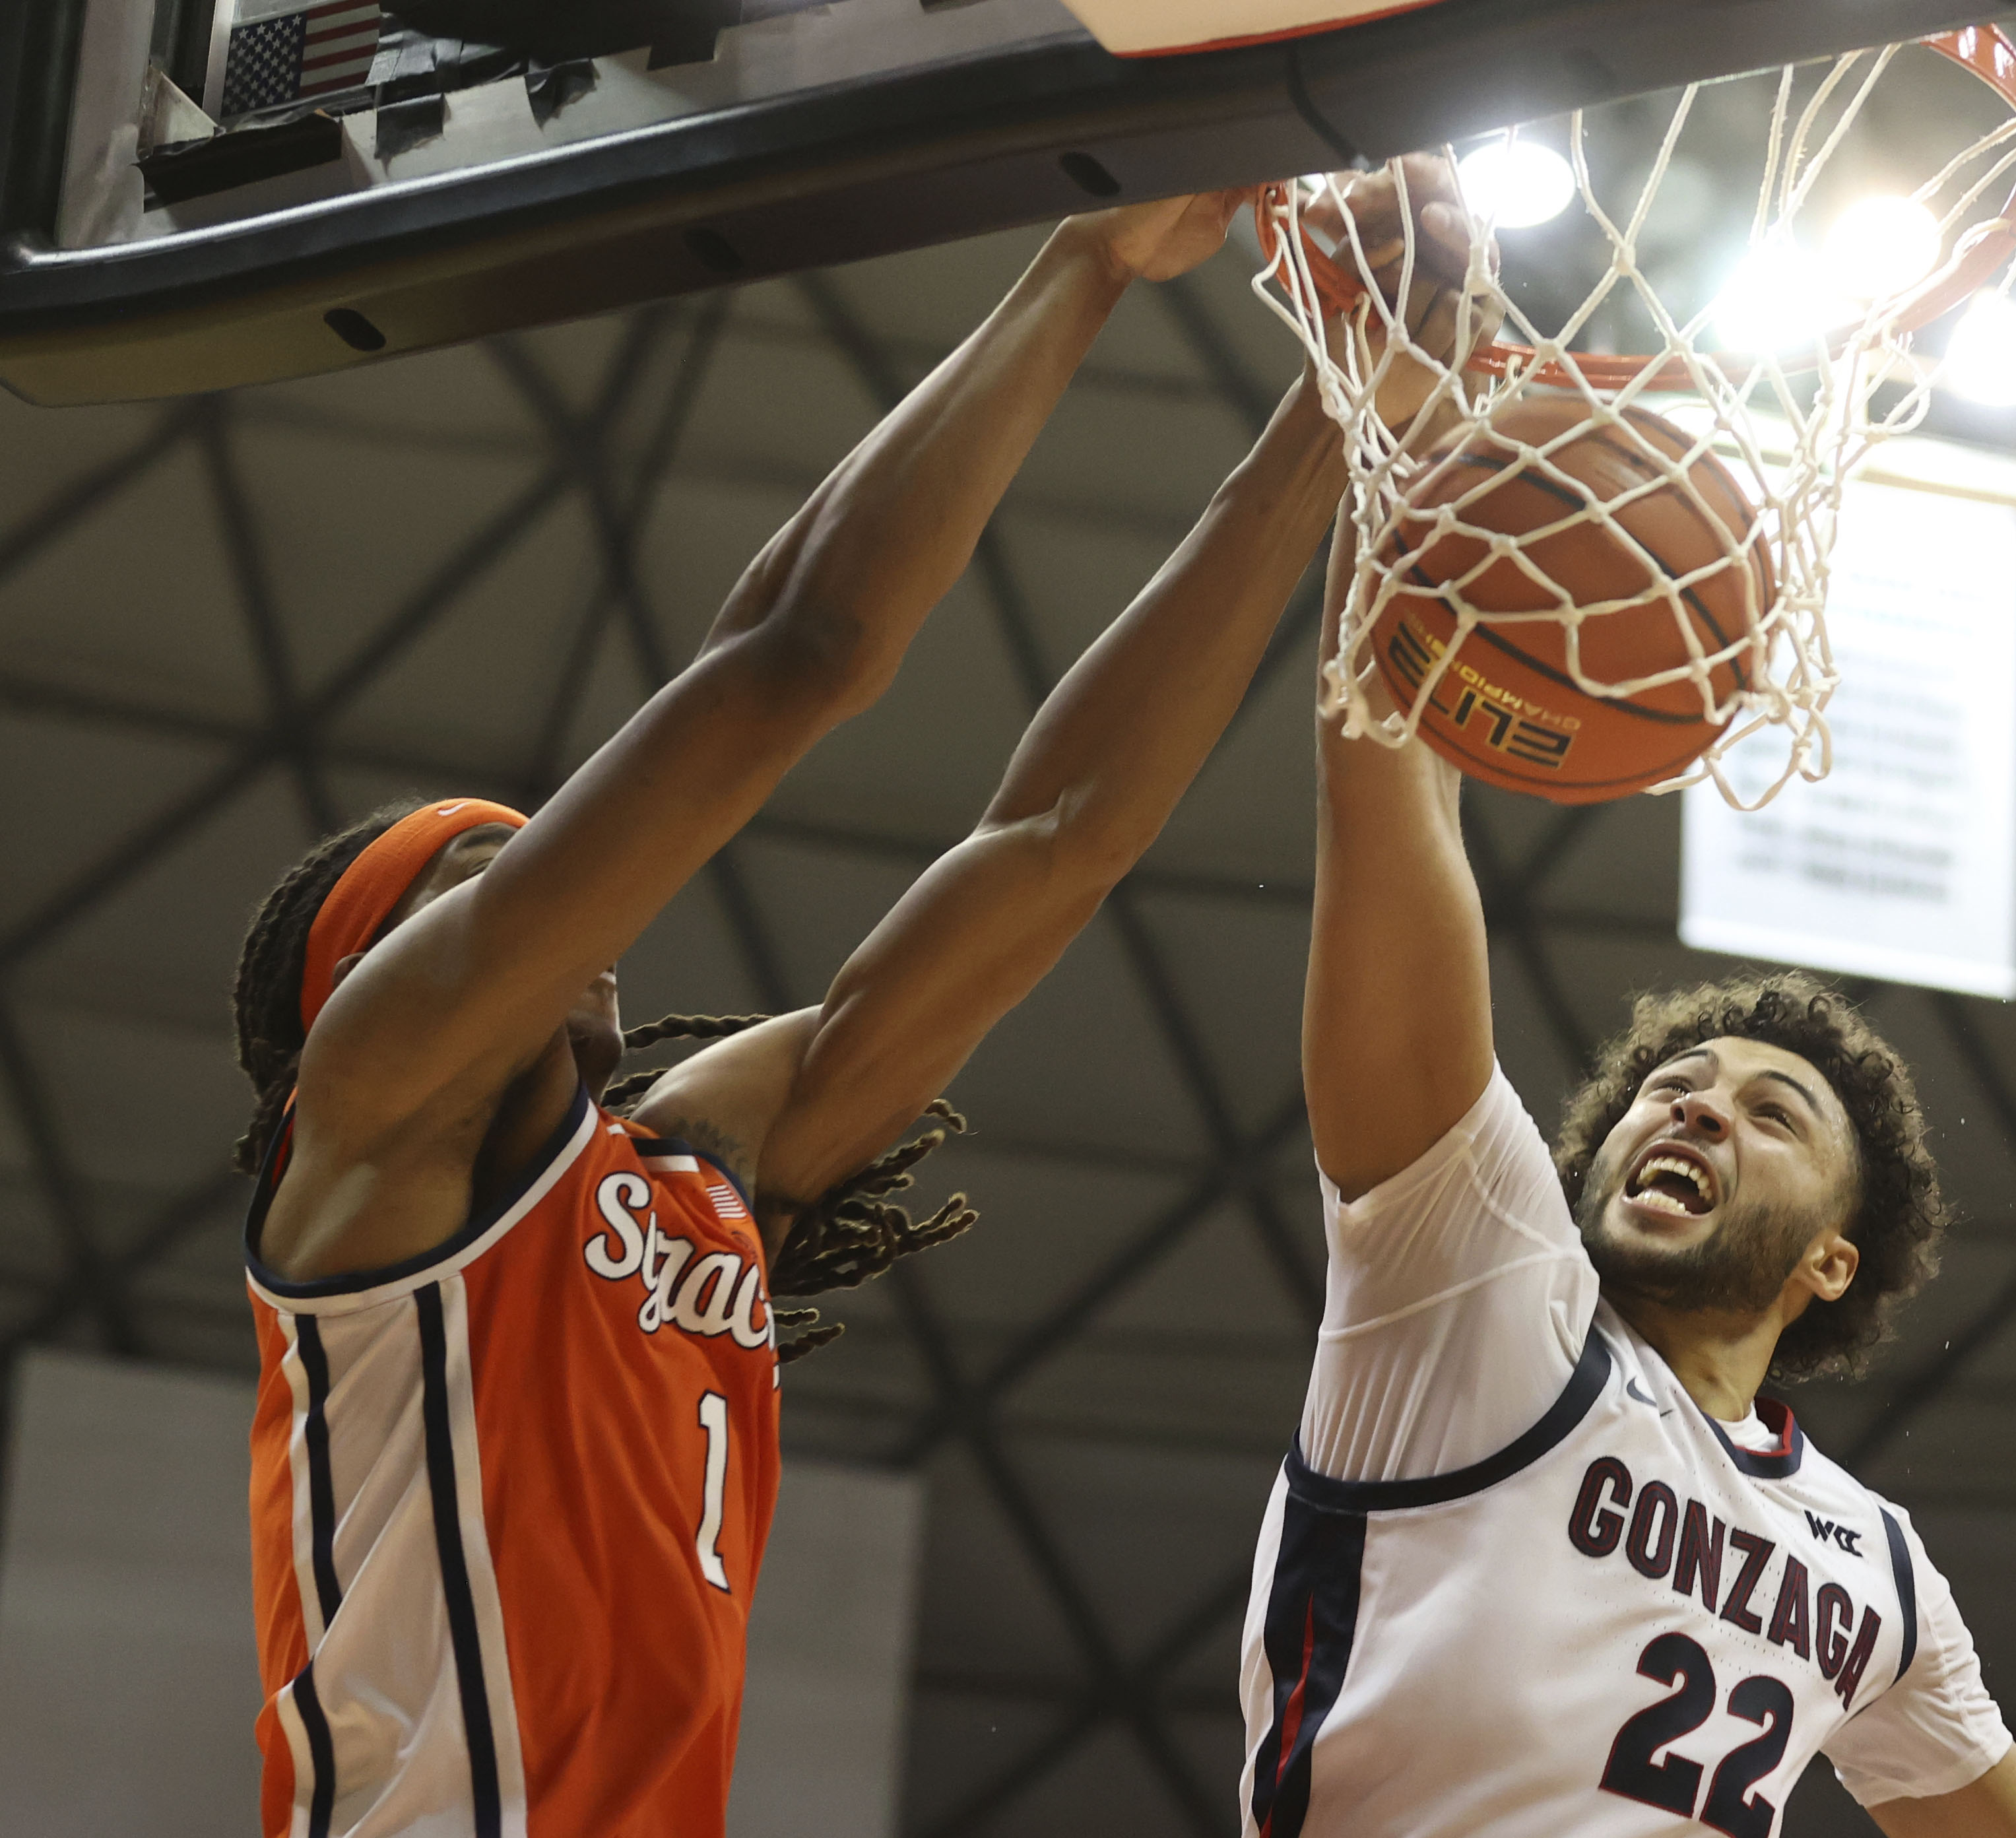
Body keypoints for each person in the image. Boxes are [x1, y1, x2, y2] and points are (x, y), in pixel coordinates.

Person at [228, 183, 1417, 1838]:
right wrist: (1082, 258)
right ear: (362, 985)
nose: (563, 893)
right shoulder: (367, 1120)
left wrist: (1341, 412)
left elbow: (1056, 846)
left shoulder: (695, 1180)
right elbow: (797, 650)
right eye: (487, 887)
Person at [1237, 532, 2016, 1833]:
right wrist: (1411, 485)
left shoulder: (1878, 1569)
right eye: (1671, 1083)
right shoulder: (1482, 1300)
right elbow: (1382, 788)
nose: (1693, 1101)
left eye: (1771, 1111)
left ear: (1830, 1257)